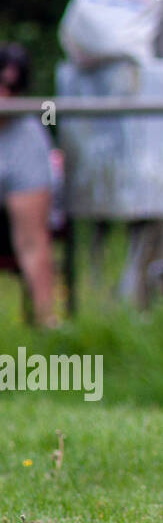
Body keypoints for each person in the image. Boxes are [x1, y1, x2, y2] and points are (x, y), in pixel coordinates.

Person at [0, 43, 59, 328]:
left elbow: (31, 241)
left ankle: (46, 324)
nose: (5, 95)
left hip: (10, 231)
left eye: (13, 87)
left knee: (34, 241)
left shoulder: (29, 136)